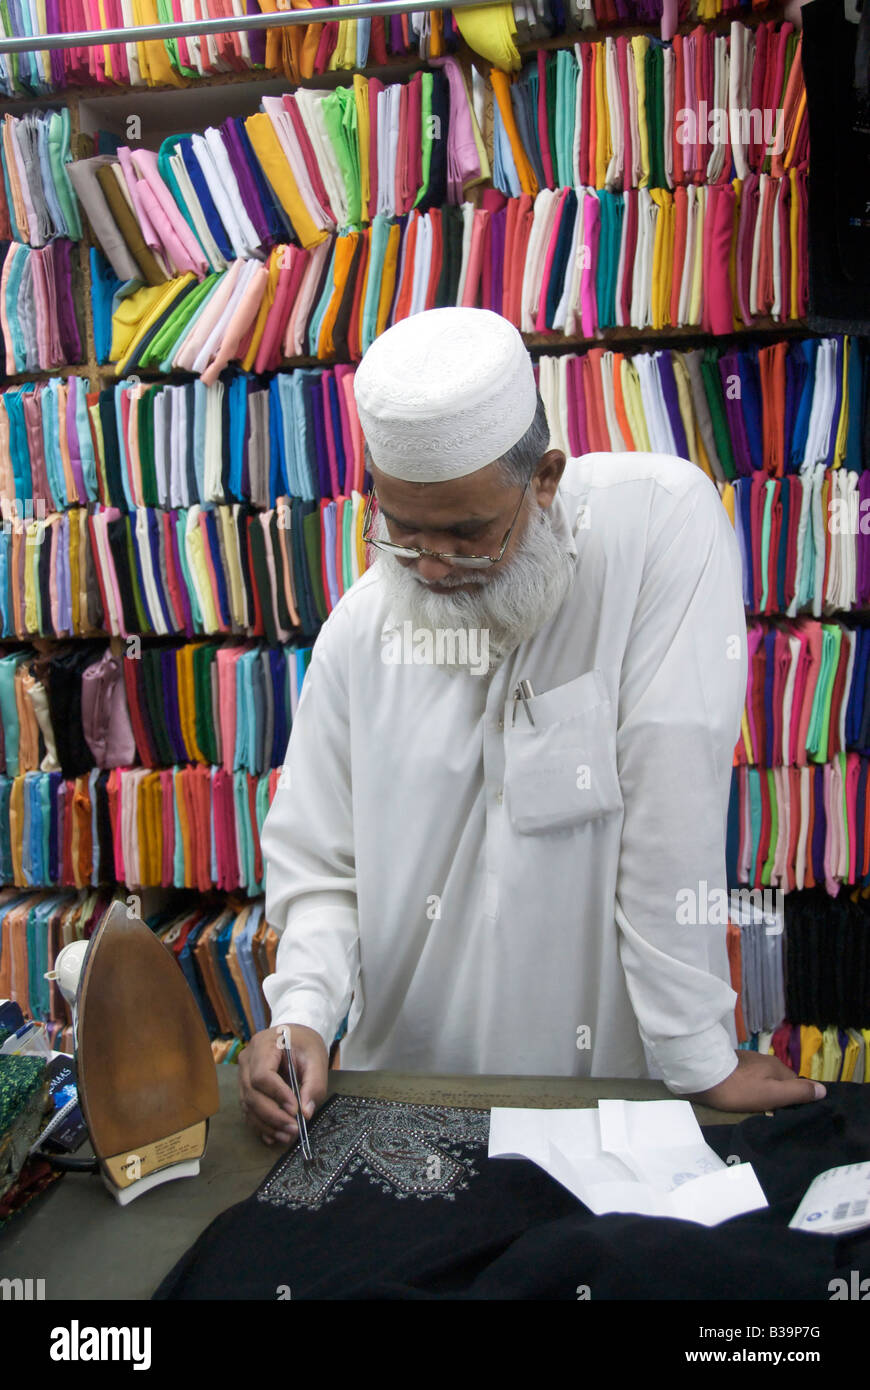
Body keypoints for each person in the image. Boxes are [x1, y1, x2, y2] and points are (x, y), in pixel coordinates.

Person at [239, 307, 824, 1147]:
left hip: (602, 1106)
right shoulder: (362, 630)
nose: (433, 567)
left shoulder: (656, 528)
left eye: (469, 534)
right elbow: (323, 870)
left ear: (544, 478)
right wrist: (300, 1017)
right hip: (400, 1094)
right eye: (402, 531)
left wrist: (702, 1058)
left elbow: (673, 801)